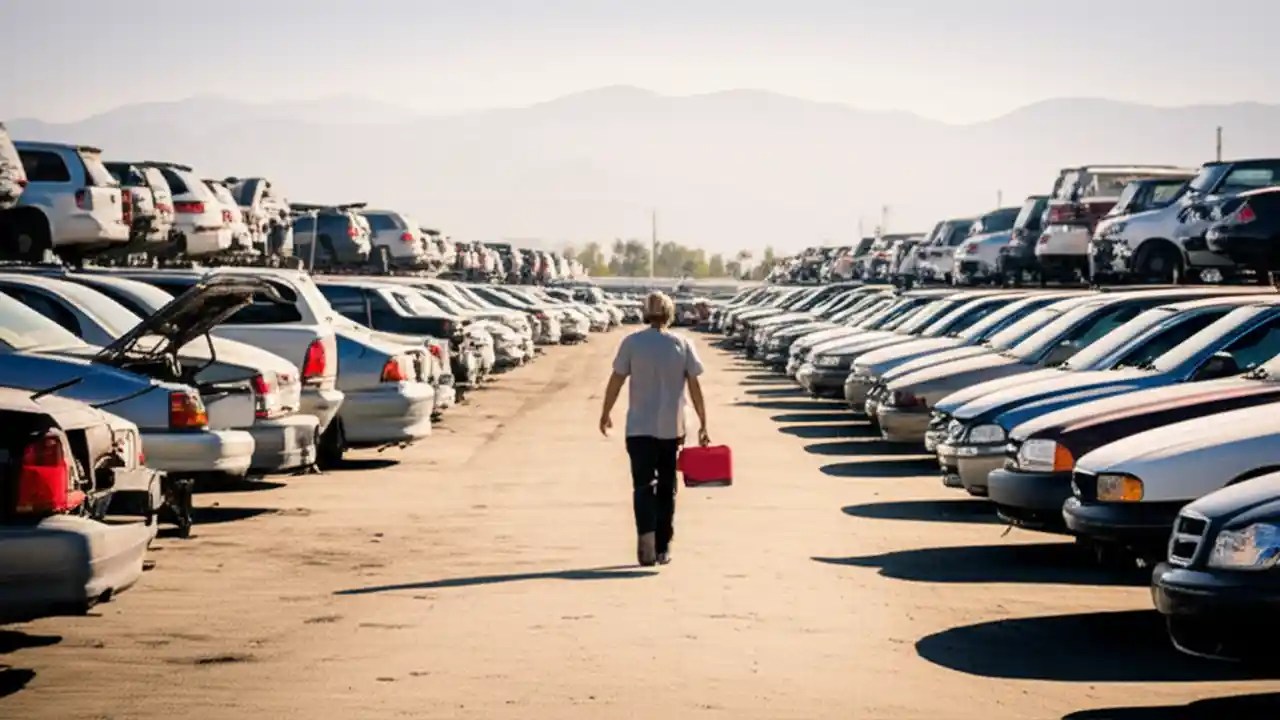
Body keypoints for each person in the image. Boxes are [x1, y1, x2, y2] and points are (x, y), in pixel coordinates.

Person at [599, 291, 709, 567]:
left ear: (645, 313)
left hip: (638, 428)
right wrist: (704, 423)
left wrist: (606, 412)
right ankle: (663, 546)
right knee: (667, 488)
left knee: (642, 486)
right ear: (670, 314)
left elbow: (617, 379)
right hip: (671, 429)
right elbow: (695, 386)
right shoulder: (682, 344)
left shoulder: (632, 343)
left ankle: (645, 544)